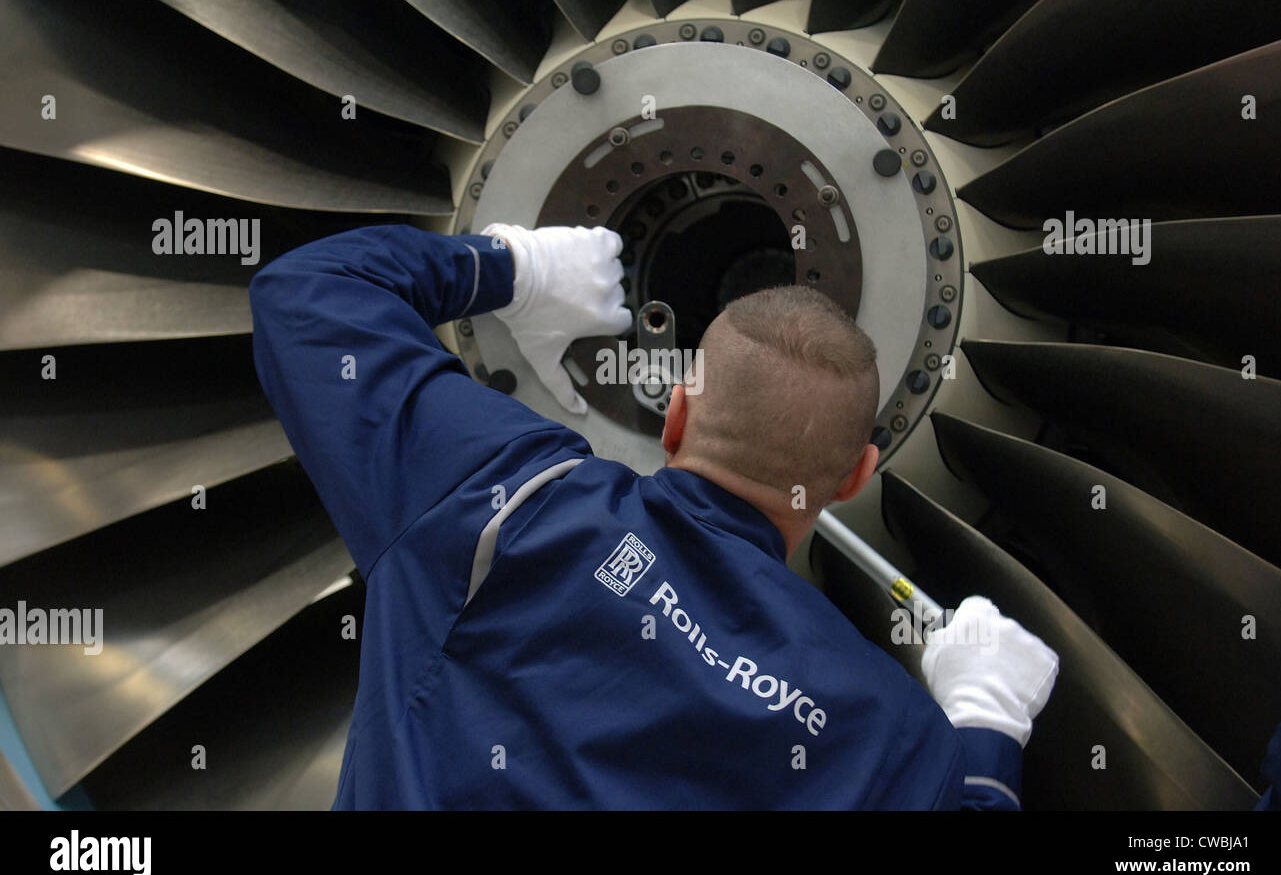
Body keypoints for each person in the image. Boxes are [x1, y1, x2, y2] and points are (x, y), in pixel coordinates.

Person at [249, 221, 1059, 809]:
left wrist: (514, 267)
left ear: (675, 416)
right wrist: (985, 724)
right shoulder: (880, 733)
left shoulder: (495, 494)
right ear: (854, 477)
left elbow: (307, 293)